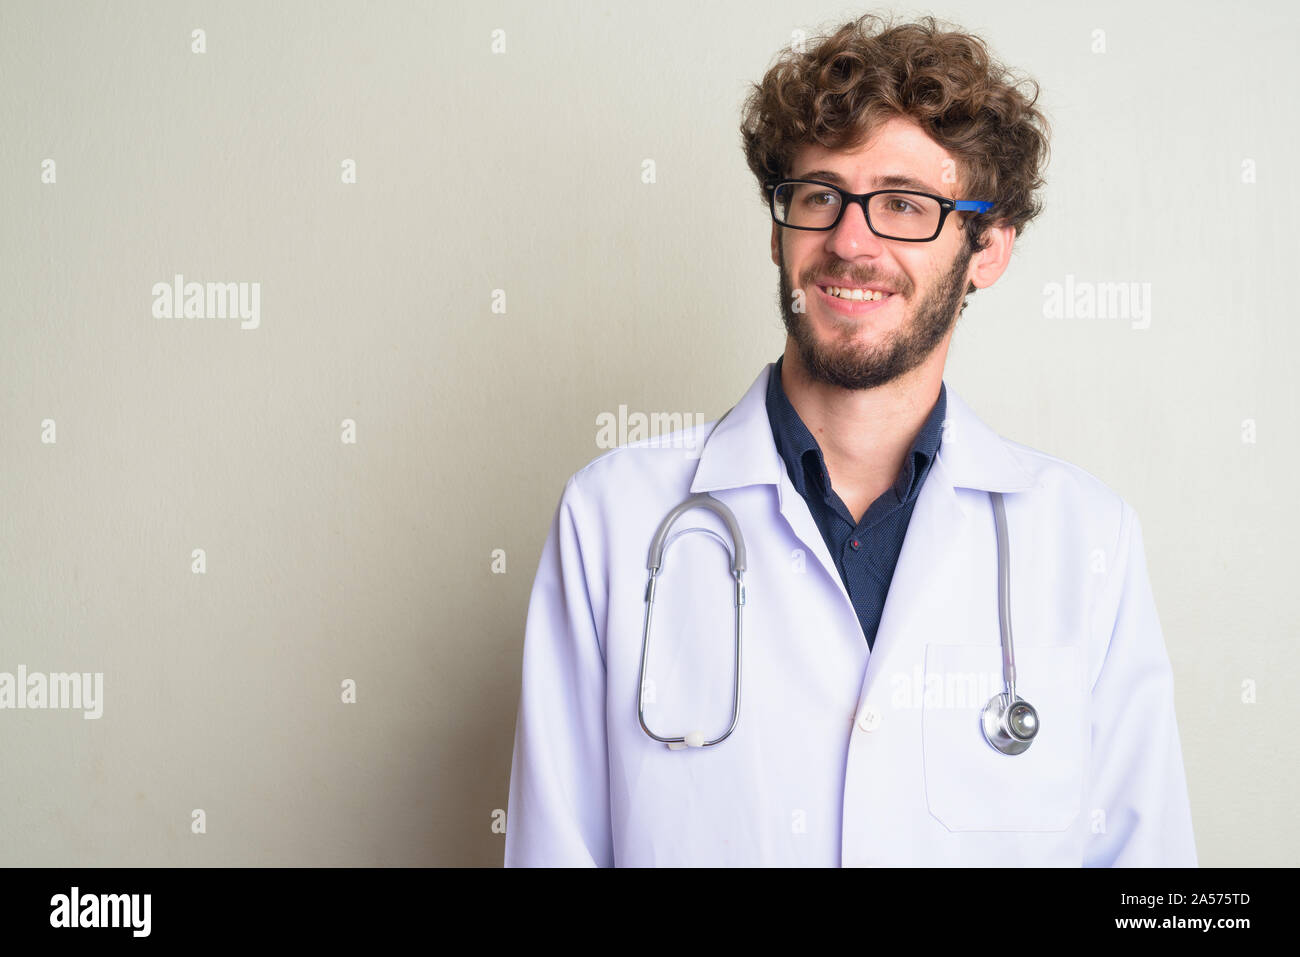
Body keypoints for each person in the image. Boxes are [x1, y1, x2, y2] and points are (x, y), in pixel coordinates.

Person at [504, 13, 1196, 867]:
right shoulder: (612, 517)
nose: (851, 241)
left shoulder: (1086, 542)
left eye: (905, 204)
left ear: (988, 248)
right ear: (777, 227)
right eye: (820, 196)